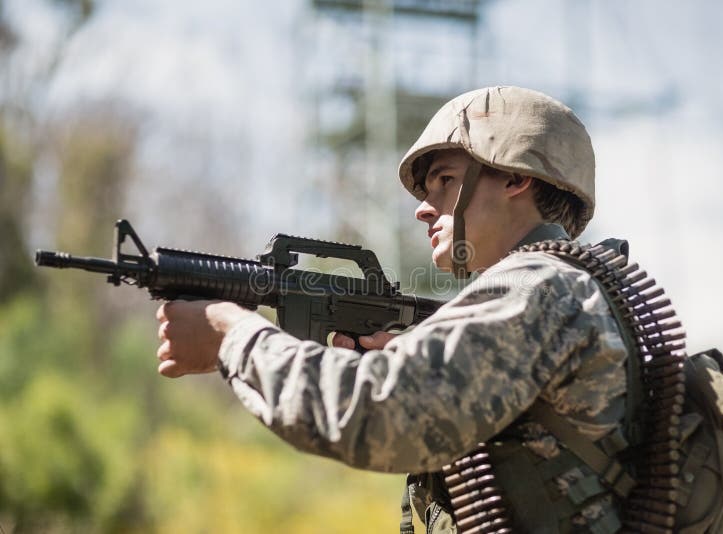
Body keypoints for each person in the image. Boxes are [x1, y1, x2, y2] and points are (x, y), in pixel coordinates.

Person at [154, 86, 632, 532]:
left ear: (516, 179)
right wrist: (416, 360)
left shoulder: (540, 287)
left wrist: (231, 335)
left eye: (445, 180)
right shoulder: (570, 290)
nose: (424, 209)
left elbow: (381, 416)